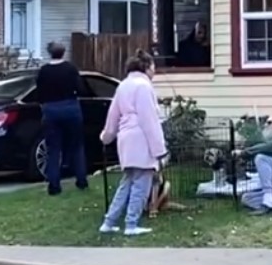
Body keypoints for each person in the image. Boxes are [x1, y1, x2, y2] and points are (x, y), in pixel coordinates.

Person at [97, 53, 168, 236]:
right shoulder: (144, 86)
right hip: (141, 139)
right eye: (152, 66)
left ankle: (109, 221)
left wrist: (106, 136)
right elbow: (149, 121)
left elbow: (113, 115)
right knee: (141, 185)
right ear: (145, 67)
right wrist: (160, 150)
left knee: (127, 182)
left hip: (125, 138)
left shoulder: (122, 86)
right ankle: (131, 224)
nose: (154, 70)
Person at [30, 40, 89, 195]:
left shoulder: (44, 71)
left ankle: (54, 185)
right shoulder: (70, 69)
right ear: (63, 52)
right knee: (77, 145)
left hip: (51, 110)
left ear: (50, 53)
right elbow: (80, 88)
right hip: (71, 108)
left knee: (53, 148)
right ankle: (81, 180)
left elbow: (39, 93)